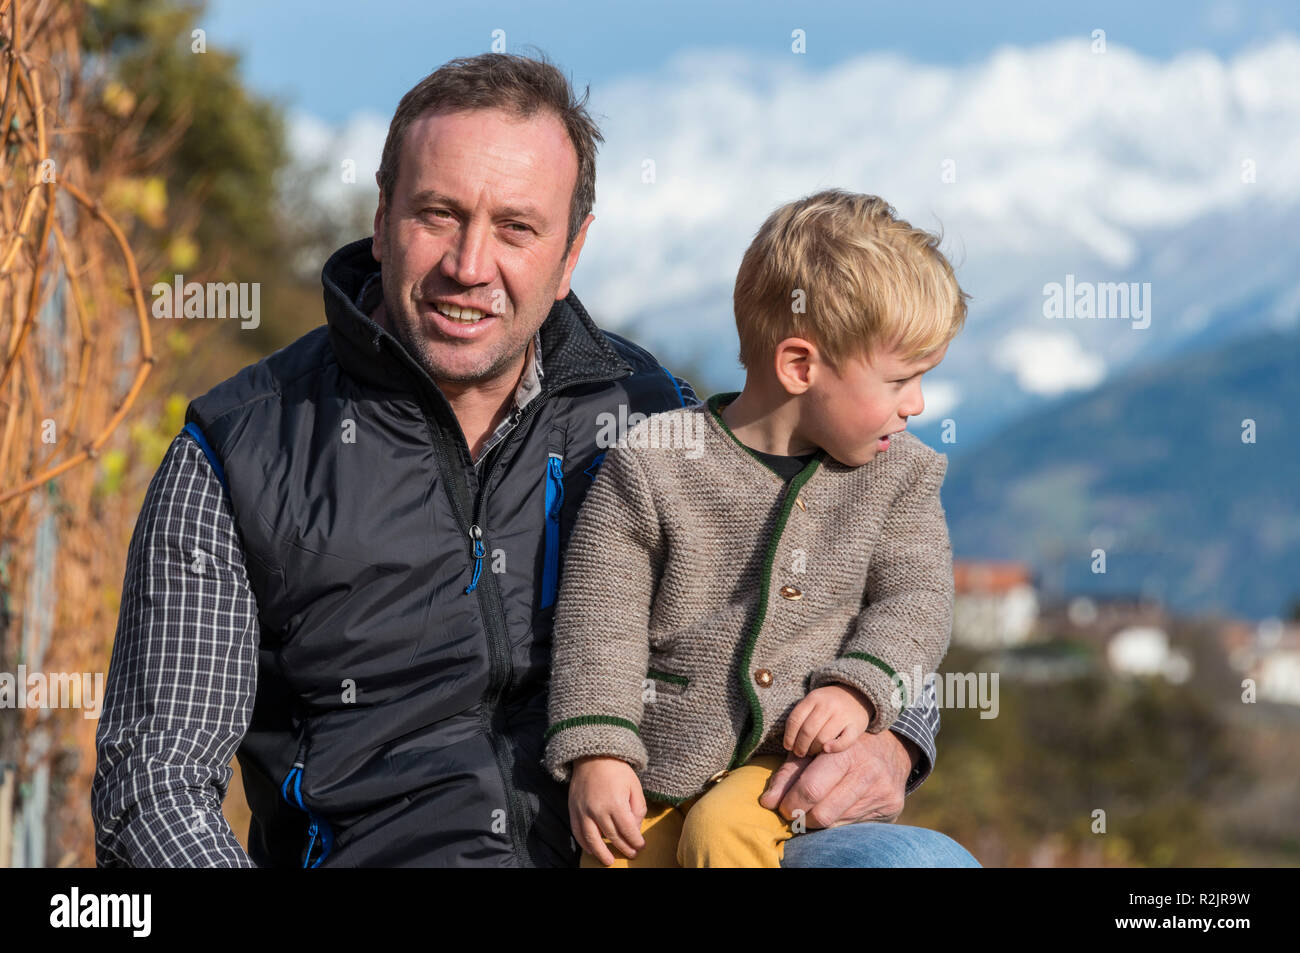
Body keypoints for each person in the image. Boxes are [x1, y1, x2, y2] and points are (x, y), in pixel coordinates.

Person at [91, 52, 976, 868]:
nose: (470, 266)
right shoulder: (242, 450)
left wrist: (893, 736)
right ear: (382, 216)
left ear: (570, 254)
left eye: (516, 228)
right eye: (439, 214)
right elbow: (154, 789)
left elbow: (842, 572)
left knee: (913, 864)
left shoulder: (650, 411)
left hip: (648, 848)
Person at [546, 190, 972, 867]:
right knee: (615, 852)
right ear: (800, 366)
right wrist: (598, 748)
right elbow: (601, 619)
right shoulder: (652, 463)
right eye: (900, 380)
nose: (916, 404)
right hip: (654, 760)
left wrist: (859, 686)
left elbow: (918, 601)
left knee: (723, 833)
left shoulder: (903, 478)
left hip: (786, 761)